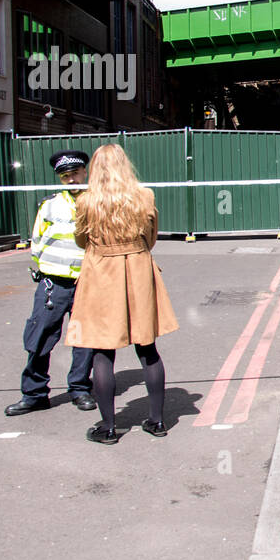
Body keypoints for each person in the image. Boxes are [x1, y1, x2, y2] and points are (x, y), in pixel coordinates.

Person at [66, 144, 178, 444]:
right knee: (147, 347)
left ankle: (109, 427)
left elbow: (80, 241)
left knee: (102, 351)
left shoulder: (86, 201)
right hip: (138, 270)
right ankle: (157, 421)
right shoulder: (145, 195)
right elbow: (151, 238)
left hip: (102, 273)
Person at [6, 150, 97, 416]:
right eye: (65, 176)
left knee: (85, 339)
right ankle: (34, 394)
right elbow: (37, 242)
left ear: (85, 173)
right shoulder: (49, 205)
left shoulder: (97, 202)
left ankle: (80, 389)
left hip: (87, 281)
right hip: (53, 283)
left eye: (75, 174)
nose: (71, 180)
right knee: (40, 336)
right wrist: (49, 269)